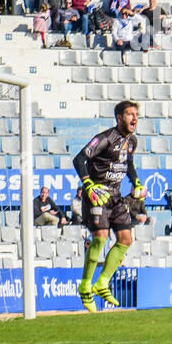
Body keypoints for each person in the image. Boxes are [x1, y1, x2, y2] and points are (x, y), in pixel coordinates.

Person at [72, 100, 142, 312]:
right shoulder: (104, 138)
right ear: (119, 118)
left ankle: (102, 283)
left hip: (116, 196)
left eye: (136, 114)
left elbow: (127, 163)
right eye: (130, 114)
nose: (134, 118)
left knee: (126, 239)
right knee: (101, 237)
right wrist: (88, 184)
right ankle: (85, 286)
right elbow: (79, 158)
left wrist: (136, 181)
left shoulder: (132, 142)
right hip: (97, 194)